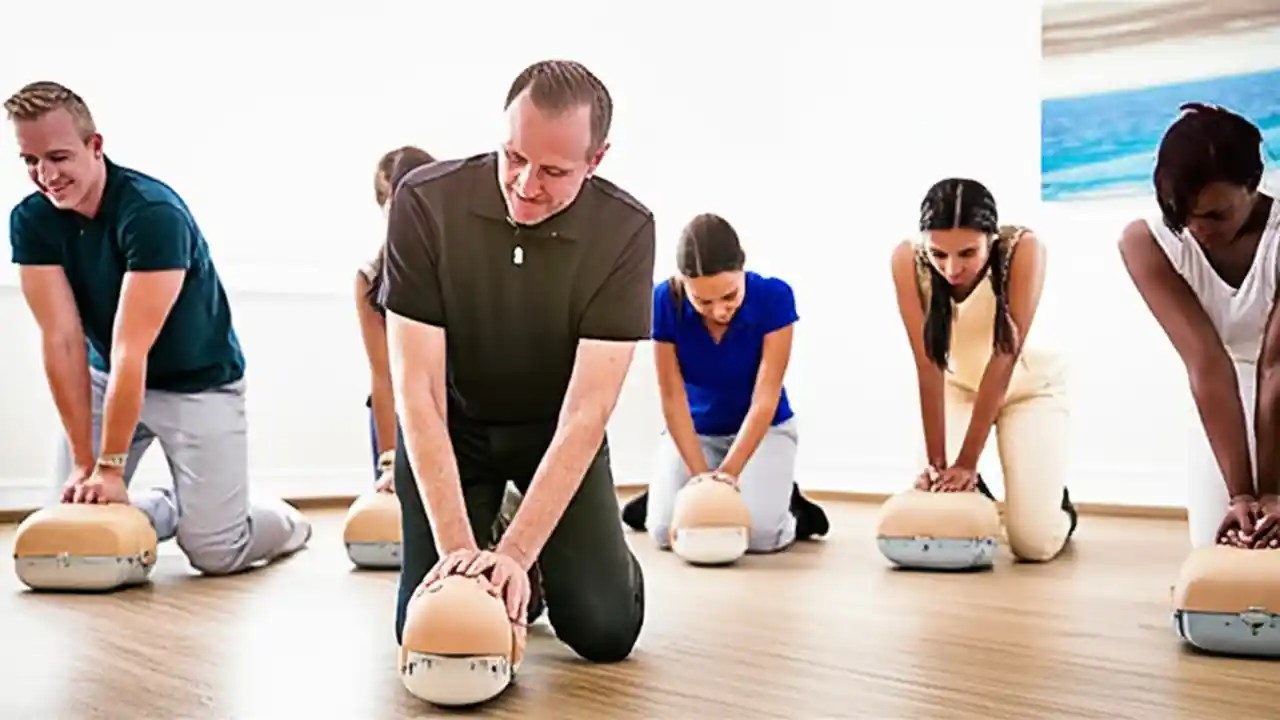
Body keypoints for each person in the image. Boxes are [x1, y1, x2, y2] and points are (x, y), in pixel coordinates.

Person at [379, 59, 650, 662]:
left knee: (605, 630)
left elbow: (587, 411)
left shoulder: (626, 231)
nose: (526, 184)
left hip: (555, 432)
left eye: (554, 171)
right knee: (433, 626)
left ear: (596, 160)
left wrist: (518, 555)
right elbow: (418, 392)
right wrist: (460, 559)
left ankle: (557, 545)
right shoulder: (424, 202)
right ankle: (499, 530)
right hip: (453, 431)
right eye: (514, 157)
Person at [5, 81, 311, 575]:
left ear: (95, 145)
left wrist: (110, 467)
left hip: (197, 384)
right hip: (107, 379)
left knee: (217, 554)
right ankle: (172, 503)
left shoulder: (152, 213)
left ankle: (284, 520)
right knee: (71, 529)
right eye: (30, 161)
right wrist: (85, 464)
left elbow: (133, 348)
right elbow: (61, 342)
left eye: (58, 157)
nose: (46, 175)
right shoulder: (32, 219)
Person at [889, 177, 1078, 562]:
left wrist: (967, 463)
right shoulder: (907, 259)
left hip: (1030, 390)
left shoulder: (1024, 249)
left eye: (967, 253)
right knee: (940, 498)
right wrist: (938, 464)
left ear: (990, 240)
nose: (952, 269)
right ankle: (990, 494)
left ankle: (1056, 504)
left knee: (1033, 544)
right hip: (960, 387)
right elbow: (927, 364)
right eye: (939, 254)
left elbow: (1004, 356)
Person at [1118, 102, 1280, 550]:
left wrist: (1272, 494)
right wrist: (1242, 494)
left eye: (1215, 215)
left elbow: (1275, 368)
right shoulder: (1145, 241)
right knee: (1222, 541)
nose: (1195, 228)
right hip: (1219, 386)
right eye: (1180, 213)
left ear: (1253, 183)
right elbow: (1205, 361)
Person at [619, 212, 828, 552]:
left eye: (729, 296)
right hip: (698, 432)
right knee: (663, 532)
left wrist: (728, 475)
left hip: (765, 431)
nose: (719, 311)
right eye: (702, 301)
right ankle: (665, 490)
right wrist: (701, 478)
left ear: (743, 270)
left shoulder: (774, 297)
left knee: (759, 537)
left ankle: (789, 506)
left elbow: (765, 398)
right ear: (683, 283)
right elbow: (672, 398)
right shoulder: (663, 301)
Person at [357, 145, 436, 488]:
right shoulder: (371, 277)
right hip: (402, 409)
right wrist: (390, 460)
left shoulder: (463, 262)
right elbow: (383, 375)